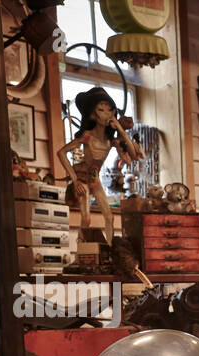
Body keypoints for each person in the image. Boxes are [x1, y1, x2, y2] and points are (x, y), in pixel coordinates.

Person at [57, 86, 143, 245]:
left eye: (110, 110)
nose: (107, 114)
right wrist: (75, 180)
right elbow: (61, 153)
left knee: (109, 217)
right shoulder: (87, 137)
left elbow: (132, 157)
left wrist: (120, 130)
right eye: (101, 110)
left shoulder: (111, 141)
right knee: (86, 218)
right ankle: (81, 251)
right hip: (83, 177)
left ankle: (112, 251)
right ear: (92, 114)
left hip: (94, 179)